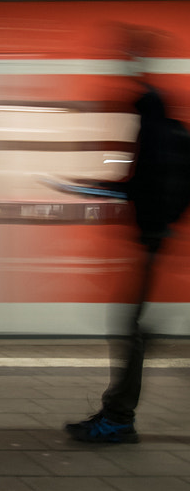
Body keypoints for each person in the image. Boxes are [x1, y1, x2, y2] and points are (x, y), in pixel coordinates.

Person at [65, 31, 190, 443]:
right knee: (133, 329)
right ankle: (117, 414)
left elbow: (148, 182)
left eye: (126, 56)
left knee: (131, 330)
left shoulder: (152, 118)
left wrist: (101, 189)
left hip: (152, 241)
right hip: (157, 239)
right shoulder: (160, 118)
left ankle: (118, 418)